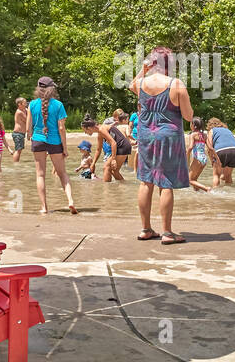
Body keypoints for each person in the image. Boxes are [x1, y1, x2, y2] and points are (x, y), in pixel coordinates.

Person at [131, 47, 194, 243]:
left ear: (152, 63)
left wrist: (143, 68)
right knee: (166, 183)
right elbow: (188, 116)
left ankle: (146, 229)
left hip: (146, 135)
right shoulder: (176, 84)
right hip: (168, 136)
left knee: (145, 181)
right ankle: (167, 232)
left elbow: (132, 84)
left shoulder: (141, 83)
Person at [27, 76, 78, 214]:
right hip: (55, 141)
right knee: (62, 174)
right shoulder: (58, 105)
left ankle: (44, 207)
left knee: (40, 175)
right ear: (52, 89)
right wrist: (65, 148)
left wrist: (31, 138)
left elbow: (28, 129)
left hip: (38, 140)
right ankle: (70, 201)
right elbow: (61, 128)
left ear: (38, 88)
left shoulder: (32, 104)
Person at [81, 114, 132, 181]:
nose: (85, 133)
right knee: (114, 171)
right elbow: (98, 150)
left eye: (85, 131)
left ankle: (106, 189)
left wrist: (113, 159)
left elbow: (113, 143)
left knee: (106, 167)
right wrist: (93, 163)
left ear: (89, 128)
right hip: (122, 146)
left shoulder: (102, 129)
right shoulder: (100, 133)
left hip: (123, 146)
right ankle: (122, 186)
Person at [207, 118, 235, 187]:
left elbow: (209, 147)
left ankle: (215, 193)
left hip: (221, 150)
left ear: (210, 125)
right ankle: (229, 192)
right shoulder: (227, 130)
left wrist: (212, 161)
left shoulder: (212, 130)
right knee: (228, 175)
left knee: (216, 174)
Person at [187, 117, 214, 192]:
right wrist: (216, 159)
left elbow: (190, 147)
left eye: (190, 124)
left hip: (197, 159)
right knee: (194, 180)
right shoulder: (204, 135)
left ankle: (207, 189)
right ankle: (198, 194)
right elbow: (210, 148)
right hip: (204, 160)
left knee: (189, 180)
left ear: (193, 125)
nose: (190, 125)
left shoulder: (193, 135)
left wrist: (187, 155)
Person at [11, 97, 28, 163]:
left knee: (19, 149)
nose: (26, 104)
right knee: (18, 150)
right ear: (19, 104)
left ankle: (16, 162)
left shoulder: (24, 110)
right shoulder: (19, 112)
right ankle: (15, 164)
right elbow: (27, 120)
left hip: (21, 133)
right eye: (24, 102)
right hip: (18, 133)